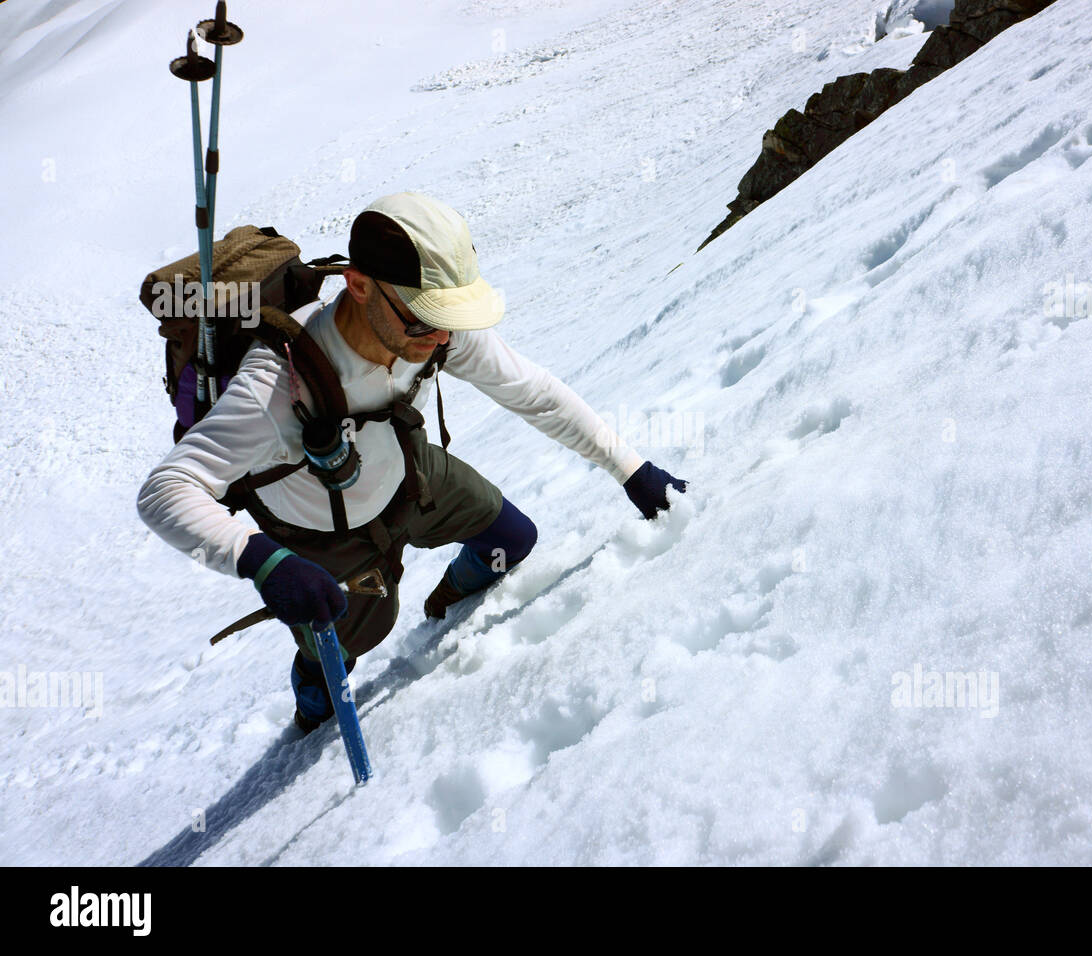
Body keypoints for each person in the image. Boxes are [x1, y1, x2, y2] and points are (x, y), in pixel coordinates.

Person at [137, 192, 687, 732]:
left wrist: (630, 469)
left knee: (511, 540)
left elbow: (534, 391)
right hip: (325, 534)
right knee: (352, 643)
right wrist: (262, 560)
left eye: (448, 318)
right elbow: (167, 488)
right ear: (357, 286)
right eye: (425, 319)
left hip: (409, 474)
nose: (444, 336)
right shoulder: (276, 383)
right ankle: (312, 691)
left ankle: (445, 603)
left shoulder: (434, 335)